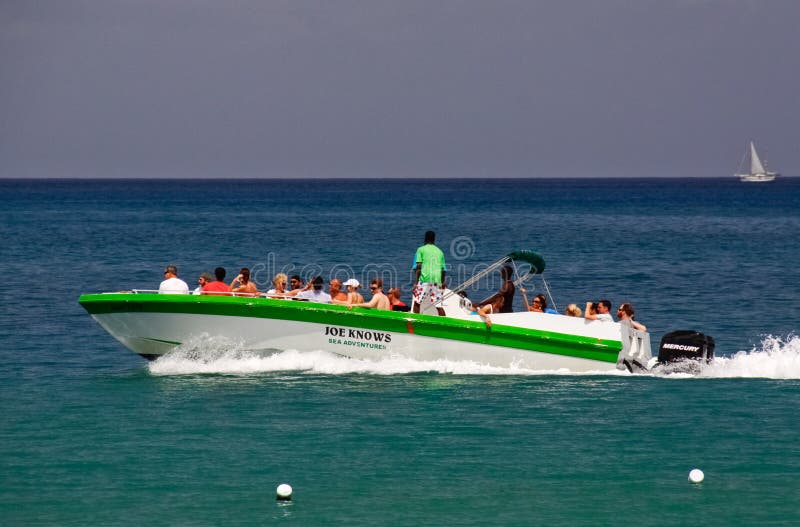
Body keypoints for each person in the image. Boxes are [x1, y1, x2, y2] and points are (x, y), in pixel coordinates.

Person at [412, 230, 446, 316]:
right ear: (434, 239)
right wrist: (442, 282)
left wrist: (416, 283)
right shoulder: (440, 252)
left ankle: (416, 321)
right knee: (438, 305)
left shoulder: (421, 250)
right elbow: (443, 270)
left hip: (425, 279)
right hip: (437, 280)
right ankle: (444, 323)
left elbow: (419, 266)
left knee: (417, 302)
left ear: (425, 239)